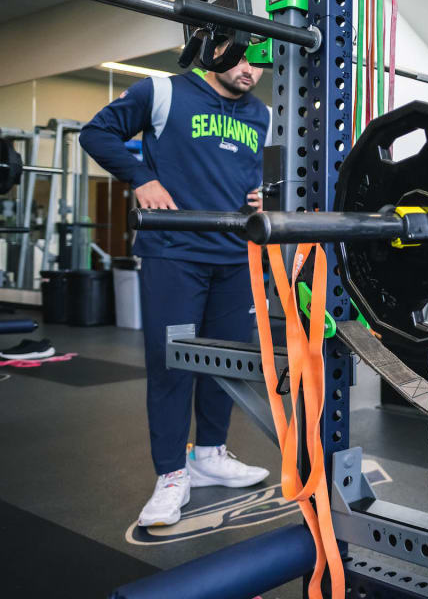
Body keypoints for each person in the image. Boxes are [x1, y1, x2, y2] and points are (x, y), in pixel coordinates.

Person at [80, 51, 272, 527]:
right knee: (172, 366)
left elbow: (260, 175)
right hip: (174, 252)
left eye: (261, 63)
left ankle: (209, 454)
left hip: (235, 256)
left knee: (227, 362)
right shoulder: (162, 92)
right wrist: (141, 177)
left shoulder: (262, 114)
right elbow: (96, 132)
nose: (250, 71)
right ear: (217, 51)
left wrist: (268, 192)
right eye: (242, 59)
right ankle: (170, 474)